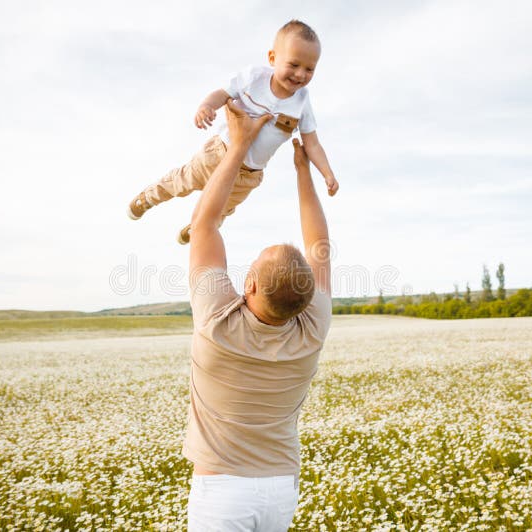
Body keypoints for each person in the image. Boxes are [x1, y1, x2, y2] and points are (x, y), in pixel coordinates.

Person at [184, 99, 332, 531]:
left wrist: (239, 146)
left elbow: (204, 225)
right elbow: (319, 242)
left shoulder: (216, 323)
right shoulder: (313, 329)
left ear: (249, 285)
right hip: (279, 489)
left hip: (221, 494)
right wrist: (304, 171)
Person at [127, 19, 339, 244]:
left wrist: (327, 173)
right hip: (219, 154)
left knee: (224, 209)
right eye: (294, 65)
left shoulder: (302, 103)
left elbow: (312, 143)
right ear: (273, 58)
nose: (300, 74)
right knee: (183, 181)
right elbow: (223, 93)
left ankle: (196, 228)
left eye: (309, 69)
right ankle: (148, 198)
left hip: (250, 174)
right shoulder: (253, 78)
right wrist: (207, 106)